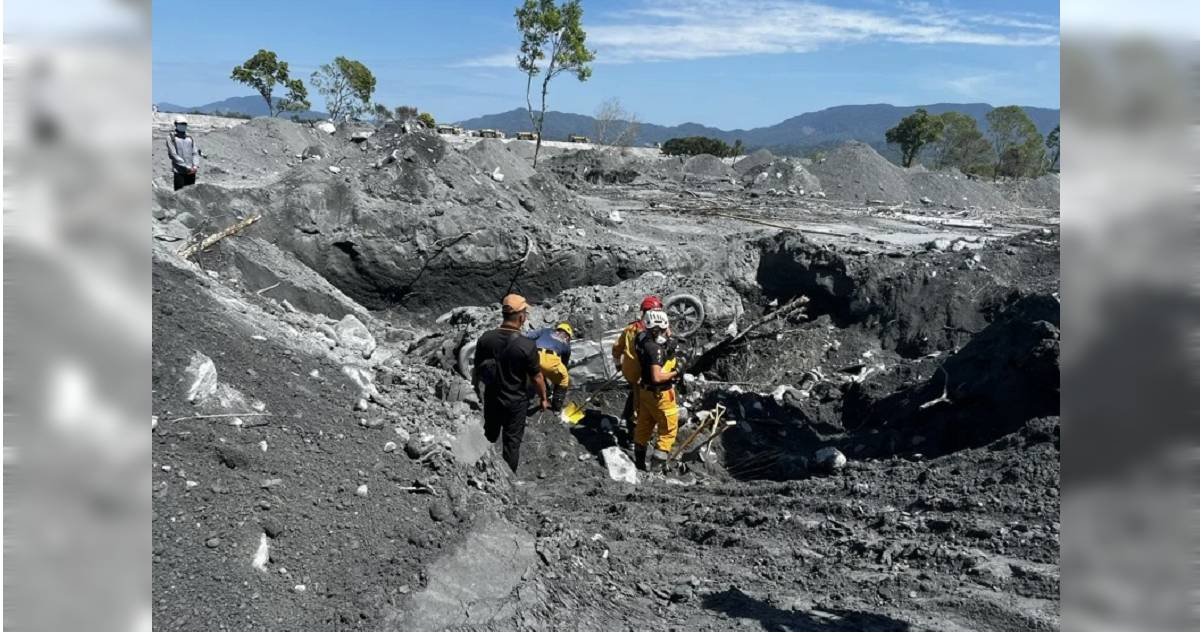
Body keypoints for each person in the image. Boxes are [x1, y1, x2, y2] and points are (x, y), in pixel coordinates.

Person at [471, 294, 548, 473]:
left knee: (488, 436)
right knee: (511, 444)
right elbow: (537, 377)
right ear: (521, 317)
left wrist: (475, 388)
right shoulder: (526, 345)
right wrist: (544, 398)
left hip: (491, 398)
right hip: (516, 403)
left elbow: (476, 368)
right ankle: (506, 479)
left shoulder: (485, 338)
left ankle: (480, 472)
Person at [632, 309, 682, 472]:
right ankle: (656, 471)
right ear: (657, 329)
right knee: (668, 430)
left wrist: (666, 347)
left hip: (645, 392)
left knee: (644, 426)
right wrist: (677, 371)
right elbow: (657, 377)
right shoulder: (654, 349)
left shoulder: (640, 338)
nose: (667, 332)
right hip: (660, 393)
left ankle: (639, 465)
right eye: (664, 329)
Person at [611, 296, 664, 431]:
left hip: (629, 370)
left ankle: (624, 418)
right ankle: (632, 433)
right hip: (641, 373)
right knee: (639, 403)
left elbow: (617, 348)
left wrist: (618, 363)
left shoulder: (630, 327)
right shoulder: (651, 333)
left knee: (634, 391)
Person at [524, 322, 573, 412]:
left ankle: (545, 392)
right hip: (551, 359)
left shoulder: (545, 330)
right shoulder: (566, 343)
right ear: (567, 336)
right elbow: (564, 363)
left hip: (533, 356)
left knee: (539, 372)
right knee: (564, 379)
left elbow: (527, 337)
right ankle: (556, 407)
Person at [166, 115, 200, 191]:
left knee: (191, 193)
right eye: (181, 124)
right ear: (175, 124)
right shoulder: (171, 138)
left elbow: (195, 153)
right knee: (179, 194)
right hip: (179, 171)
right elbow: (173, 155)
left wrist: (195, 166)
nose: (183, 126)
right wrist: (186, 167)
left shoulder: (190, 138)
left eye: (184, 124)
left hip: (191, 171)